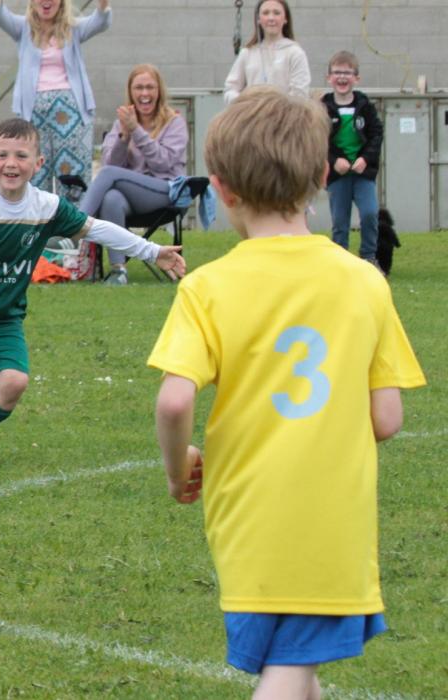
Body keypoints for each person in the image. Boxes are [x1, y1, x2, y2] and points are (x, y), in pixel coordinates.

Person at [149, 87, 424, 698]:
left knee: (292, 664)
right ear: (323, 174)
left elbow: (173, 401)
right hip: (331, 518)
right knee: (293, 667)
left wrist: (177, 471)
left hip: (246, 514)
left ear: (220, 190)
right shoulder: (364, 282)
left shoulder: (208, 287)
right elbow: (386, 419)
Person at [0, 118, 184, 469]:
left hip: (1, 320)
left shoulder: (46, 207)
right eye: (2, 155)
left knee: (14, 382)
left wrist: (152, 251)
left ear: (38, 164)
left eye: (21, 156)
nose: (11, 163)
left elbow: (98, 229)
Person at [79, 64, 187, 285]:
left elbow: (163, 163)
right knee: (111, 198)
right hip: (133, 200)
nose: (144, 93)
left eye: (150, 87)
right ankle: (119, 271)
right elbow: (113, 163)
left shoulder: (175, 122)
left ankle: (74, 227)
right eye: (139, 88)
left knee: (108, 174)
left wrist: (136, 131)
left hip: (167, 193)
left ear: (159, 92)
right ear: (131, 92)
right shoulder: (122, 122)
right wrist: (123, 137)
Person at [0, 0, 111, 192]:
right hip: (34, 114)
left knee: (71, 173)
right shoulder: (23, 28)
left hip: (71, 115)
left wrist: (103, 4)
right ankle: (37, 219)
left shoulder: (73, 28)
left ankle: (73, 219)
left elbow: (101, 20)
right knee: (35, 170)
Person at [322, 51, 383, 267]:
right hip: (338, 175)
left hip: (361, 173)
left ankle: (368, 257)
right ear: (329, 77)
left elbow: (376, 134)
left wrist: (365, 159)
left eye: (347, 73)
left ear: (356, 78)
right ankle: (341, 261)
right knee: (340, 221)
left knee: (369, 214)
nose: (342, 77)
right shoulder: (322, 108)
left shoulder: (364, 106)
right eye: (337, 72)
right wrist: (334, 160)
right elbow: (319, 138)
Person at [223, 0, 309, 104]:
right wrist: (245, 103)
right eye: (265, 13)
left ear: (285, 19)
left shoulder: (295, 53)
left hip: (284, 118)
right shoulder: (247, 53)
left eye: (276, 13)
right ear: (258, 19)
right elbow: (230, 89)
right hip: (251, 117)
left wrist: (273, 109)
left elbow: (299, 95)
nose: (271, 18)